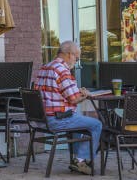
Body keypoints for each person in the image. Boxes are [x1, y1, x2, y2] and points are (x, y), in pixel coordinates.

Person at [34, 41, 102, 175]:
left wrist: (77, 92)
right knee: (96, 125)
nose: (77, 61)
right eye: (77, 57)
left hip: (41, 119)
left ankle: (77, 159)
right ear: (69, 54)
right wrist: (85, 95)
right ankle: (80, 160)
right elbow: (74, 99)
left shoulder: (45, 67)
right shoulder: (62, 70)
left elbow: (57, 91)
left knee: (77, 119)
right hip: (56, 119)